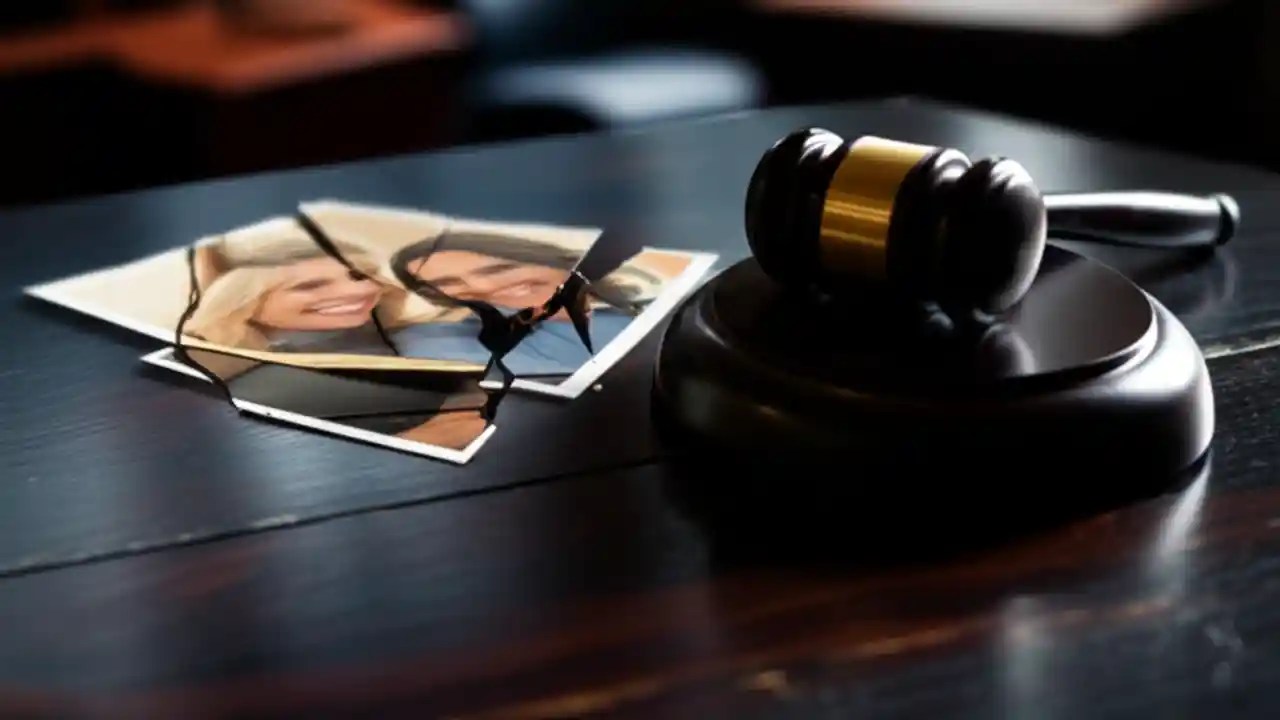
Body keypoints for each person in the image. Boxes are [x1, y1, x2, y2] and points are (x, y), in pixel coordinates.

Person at [388, 229, 669, 377]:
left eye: (500, 269)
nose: (482, 288)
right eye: (449, 282)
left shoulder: (651, 296)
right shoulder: (439, 340)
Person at [184, 231, 412, 356]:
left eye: (360, 276)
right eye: (310, 286)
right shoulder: (207, 364)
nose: (359, 290)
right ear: (245, 302)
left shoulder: (412, 339)